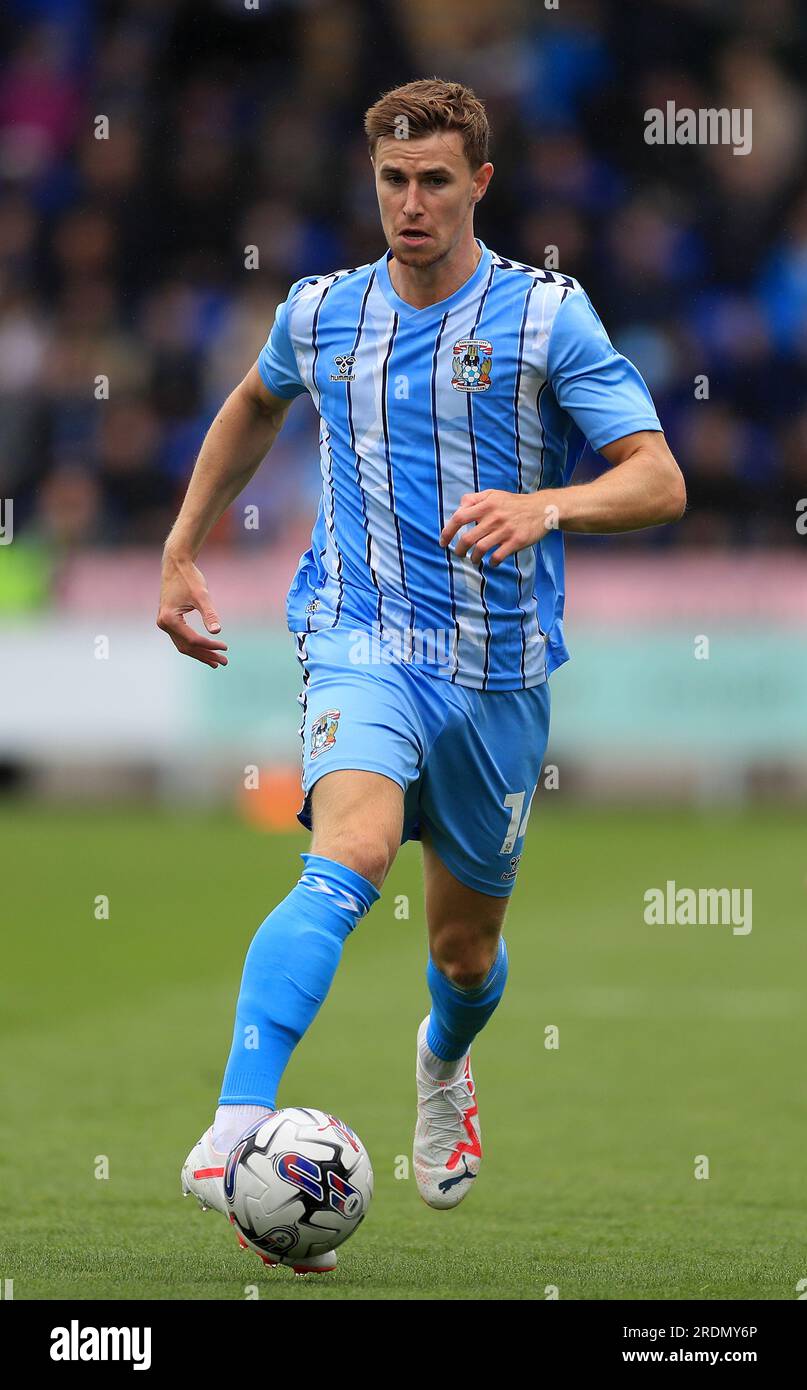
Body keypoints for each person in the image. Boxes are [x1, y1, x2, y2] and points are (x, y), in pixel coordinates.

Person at [158, 78, 686, 1274]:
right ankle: (236, 1124)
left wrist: (547, 503)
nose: (411, 202)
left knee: (464, 953)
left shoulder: (547, 318)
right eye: (393, 180)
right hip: (361, 637)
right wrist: (183, 547)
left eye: (436, 180)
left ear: (479, 185)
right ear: (372, 180)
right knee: (346, 851)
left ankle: (443, 1064)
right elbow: (252, 401)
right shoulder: (323, 313)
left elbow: (658, 478)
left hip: (498, 675)